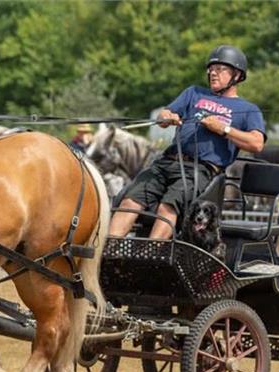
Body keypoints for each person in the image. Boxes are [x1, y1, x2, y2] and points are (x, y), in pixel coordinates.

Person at [109, 45, 266, 239]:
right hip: (167, 161)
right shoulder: (193, 93)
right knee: (130, 201)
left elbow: (257, 143)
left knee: (168, 206)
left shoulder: (248, 109)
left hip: (200, 170)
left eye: (220, 69)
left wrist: (223, 129)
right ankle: (109, 250)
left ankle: (152, 253)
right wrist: (167, 117)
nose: (213, 74)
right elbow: (164, 114)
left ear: (237, 75)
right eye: (211, 69)